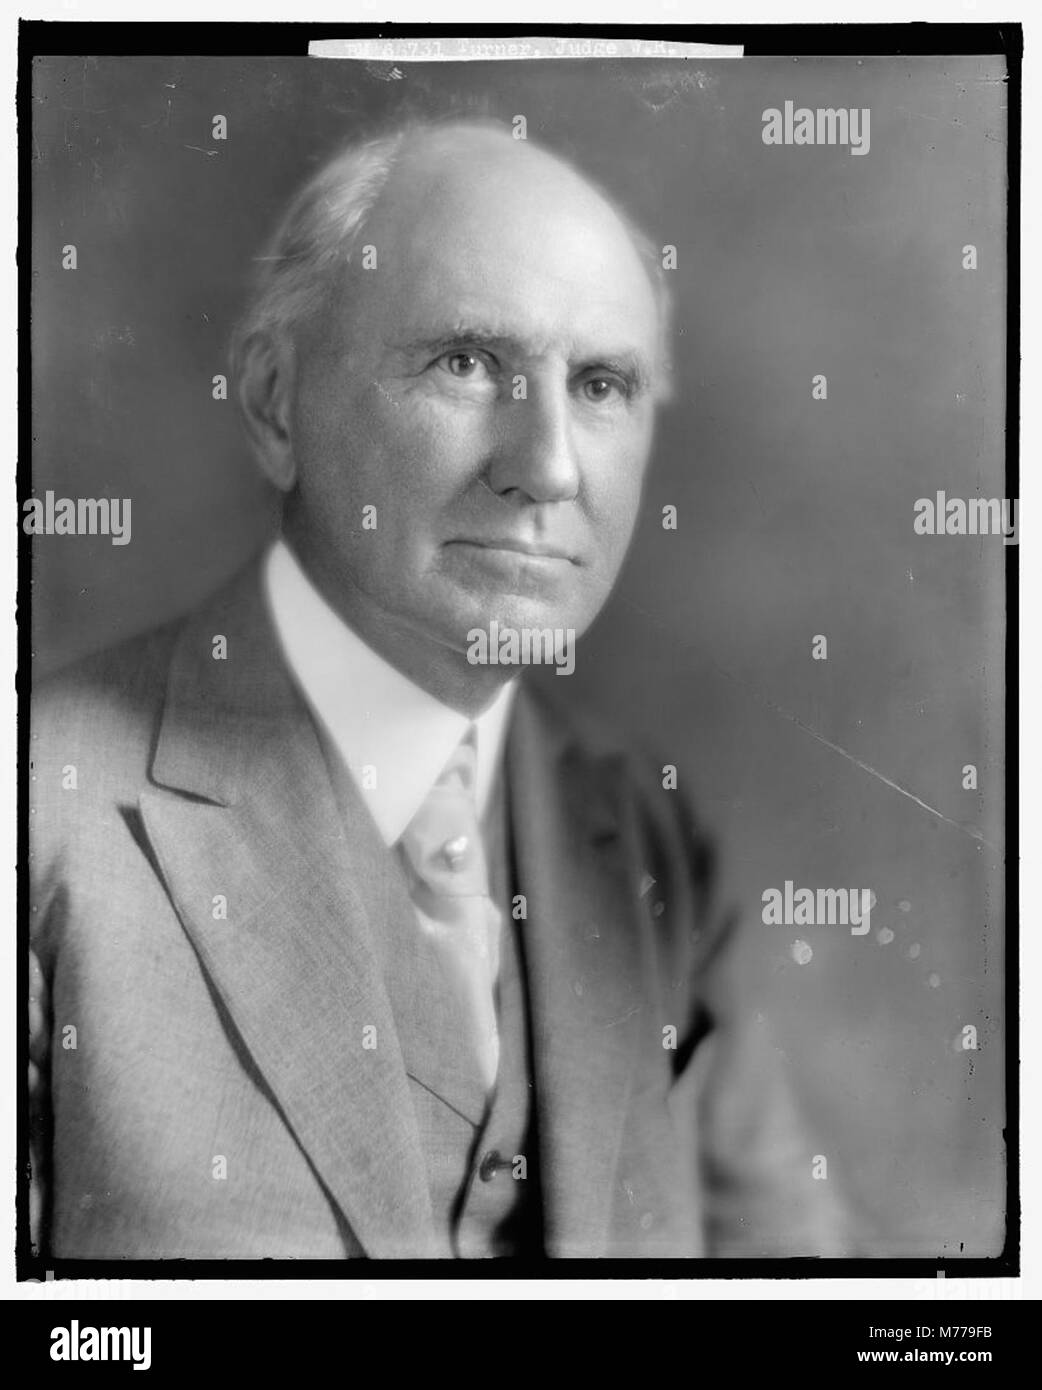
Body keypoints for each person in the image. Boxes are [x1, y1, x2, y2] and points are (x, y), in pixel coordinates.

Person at [28, 118, 847, 1259]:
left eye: (601, 383)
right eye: (467, 362)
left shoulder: (648, 846)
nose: (549, 465)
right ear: (276, 403)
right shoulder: (46, 814)